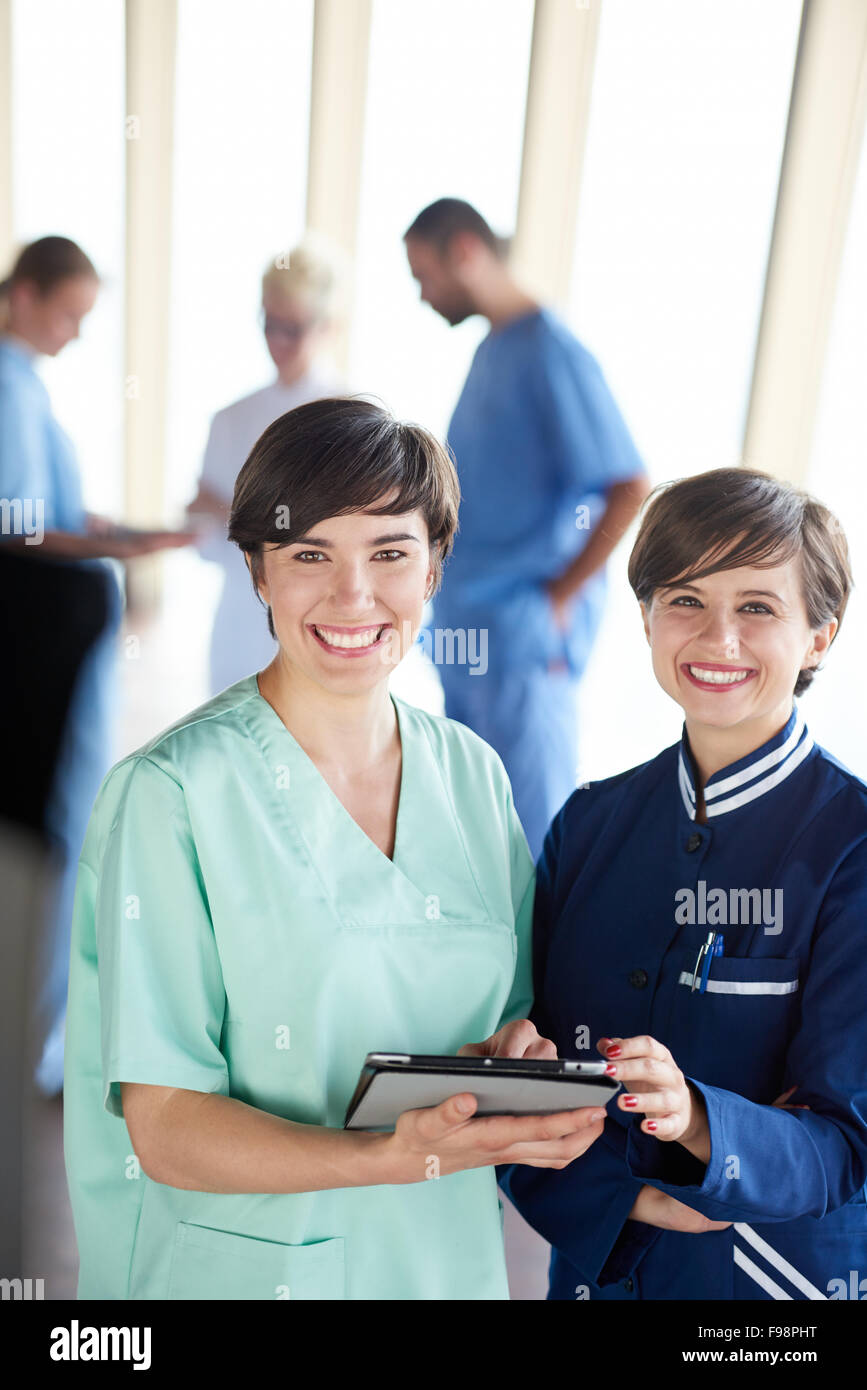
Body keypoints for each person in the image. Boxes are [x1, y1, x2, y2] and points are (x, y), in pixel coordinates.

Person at [63, 397, 606, 1300]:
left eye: (390, 553)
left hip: (439, 1264)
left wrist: (516, 1066)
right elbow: (163, 1128)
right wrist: (388, 1155)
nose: (353, 595)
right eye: (309, 553)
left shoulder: (471, 773)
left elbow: (506, 1022)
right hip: (245, 1273)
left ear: (434, 568)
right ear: (258, 572)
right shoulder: (171, 795)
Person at [499, 467, 867, 1301]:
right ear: (646, 618)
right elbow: (525, 1091)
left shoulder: (853, 846)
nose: (717, 638)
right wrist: (622, 1195)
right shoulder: (586, 825)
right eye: (685, 600)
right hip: (593, 1279)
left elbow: (848, 1145)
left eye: (757, 607)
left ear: (818, 637)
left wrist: (699, 1121)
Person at [0, 235, 193, 1094]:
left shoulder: (27, 391)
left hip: (66, 664)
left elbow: (53, 510)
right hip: (37, 659)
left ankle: (46, 1035)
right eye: (69, 314)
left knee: (74, 837)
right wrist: (123, 545)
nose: (75, 334)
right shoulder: (5, 386)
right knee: (48, 846)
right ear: (24, 295)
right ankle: (34, 1043)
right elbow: (18, 526)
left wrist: (124, 535)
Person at [403, 198, 650, 857]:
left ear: (464, 251)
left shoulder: (551, 353)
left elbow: (628, 485)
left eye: (423, 275)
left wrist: (558, 597)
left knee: (527, 836)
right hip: (467, 628)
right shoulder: (493, 350)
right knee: (472, 823)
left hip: (520, 631)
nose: (422, 295)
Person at [187, 241, 343, 694]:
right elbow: (207, 540)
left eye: (292, 328)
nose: (277, 341)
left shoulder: (354, 419)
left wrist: (230, 511)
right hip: (239, 621)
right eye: (269, 324)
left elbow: (337, 534)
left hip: (318, 622)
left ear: (327, 325)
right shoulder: (229, 418)